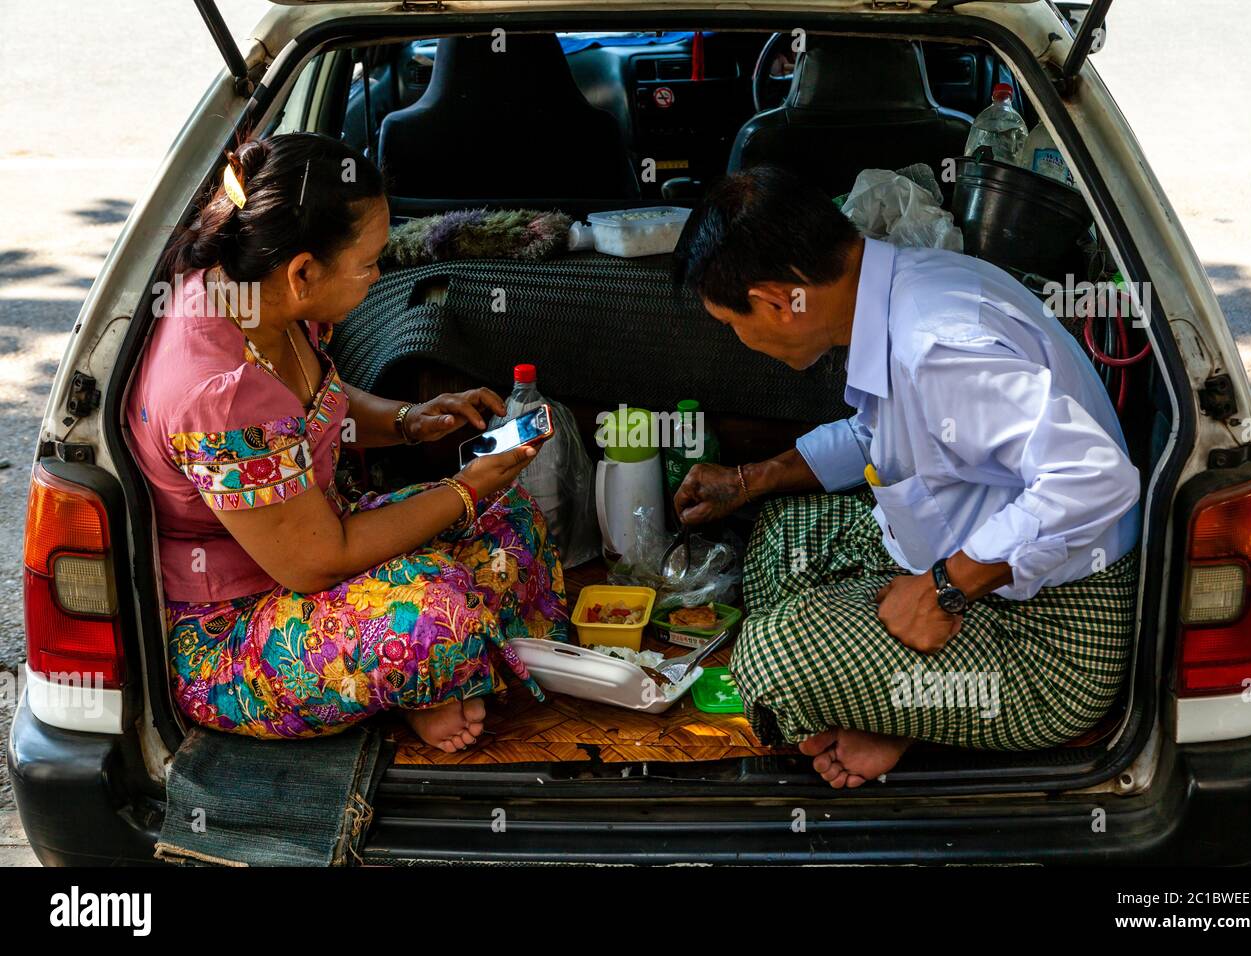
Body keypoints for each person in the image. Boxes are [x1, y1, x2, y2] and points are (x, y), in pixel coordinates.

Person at [671, 165, 1140, 787]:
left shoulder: (937, 343)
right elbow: (884, 433)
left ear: (777, 302)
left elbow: (1094, 476)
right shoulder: (901, 288)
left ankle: (893, 709)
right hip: (974, 570)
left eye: (734, 324)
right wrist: (751, 478)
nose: (740, 339)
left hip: (1050, 640)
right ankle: (886, 709)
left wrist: (945, 587)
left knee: (769, 656)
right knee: (783, 535)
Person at [127, 133, 568, 751]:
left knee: (510, 520)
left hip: (319, 544)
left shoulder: (260, 294)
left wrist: (411, 419)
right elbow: (317, 562)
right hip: (234, 627)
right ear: (304, 271)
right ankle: (433, 677)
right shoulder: (220, 396)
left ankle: (433, 678)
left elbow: (316, 406)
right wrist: (465, 488)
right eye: (369, 262)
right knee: (433, 607)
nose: (379, 275)